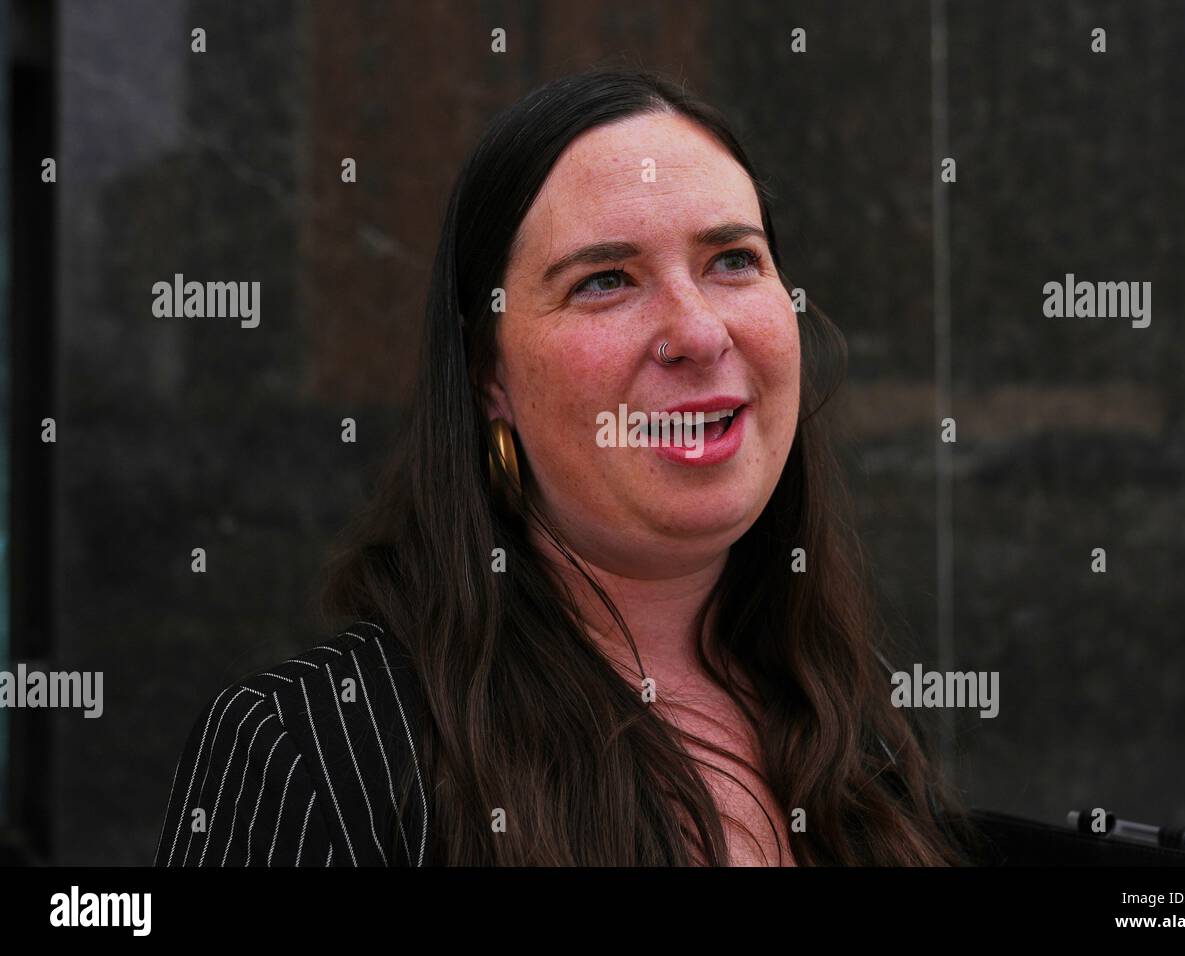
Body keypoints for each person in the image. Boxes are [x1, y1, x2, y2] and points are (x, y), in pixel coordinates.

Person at [156, 66, 976, 867]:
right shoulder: (310, 752)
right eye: (607, 280)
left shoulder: (849, 714)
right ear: (492, 380)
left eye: (732, 259)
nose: (698, 332)